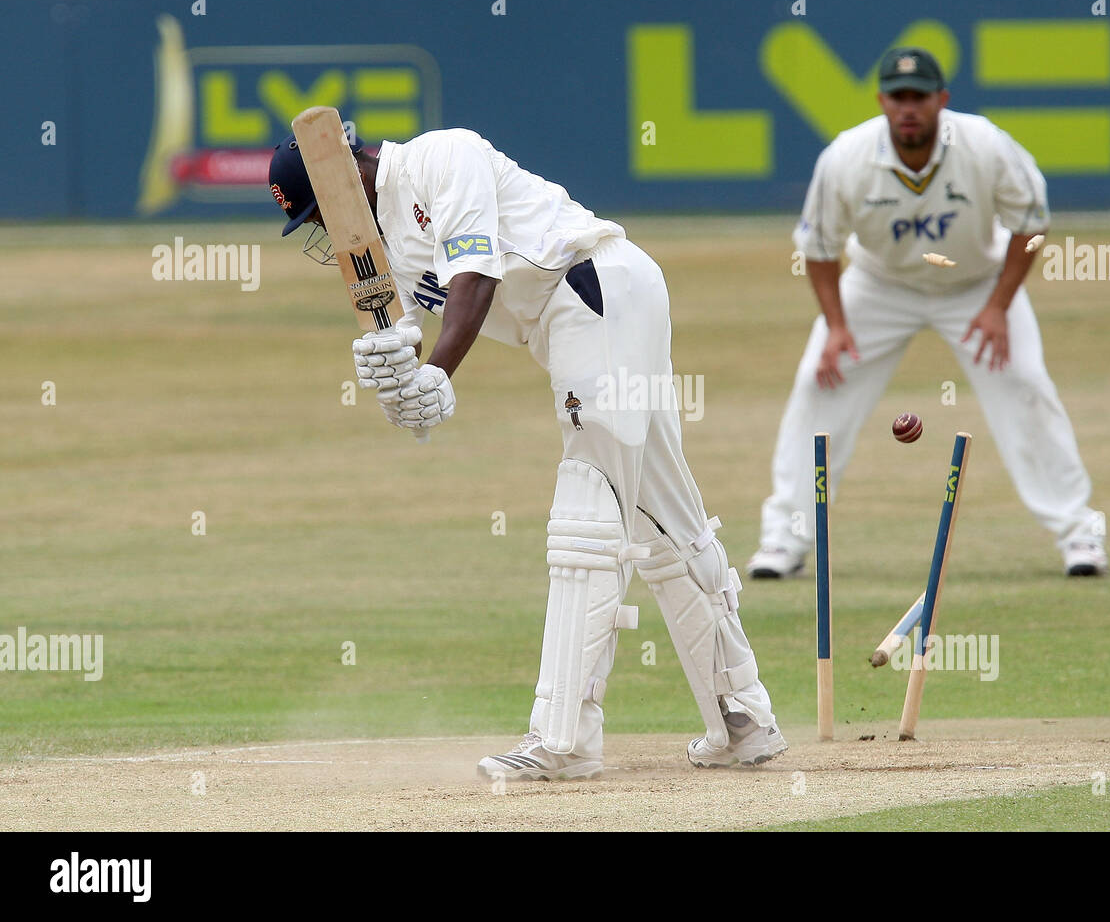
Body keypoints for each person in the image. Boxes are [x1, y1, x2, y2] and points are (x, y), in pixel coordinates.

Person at [267, 120, 785, 780]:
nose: (327, 228)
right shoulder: (383, 243)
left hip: (593, 289)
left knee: (588, 507)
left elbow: (476, 276)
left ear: (345, 175)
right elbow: (407, 334)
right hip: (589, 314)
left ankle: (562, 741)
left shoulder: (440, 158)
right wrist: (402, 383)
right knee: (663, 520)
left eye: (323, 210)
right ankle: (742, 718)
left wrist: (439, 374)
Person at [746, 47, 1107, 581]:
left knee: (1026, 383)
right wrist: (839, 327)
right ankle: (784, 540)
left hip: (976, 283)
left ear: (942, 100)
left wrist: (997, 307)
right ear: (881, 101)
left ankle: (1080, 536)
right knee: (816, 384)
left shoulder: (984, 146)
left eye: (919, 97)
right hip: (879, 284)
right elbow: (820, 247)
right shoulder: (847, 157)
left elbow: (1032, 224)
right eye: (898, 97)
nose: (908, 107)